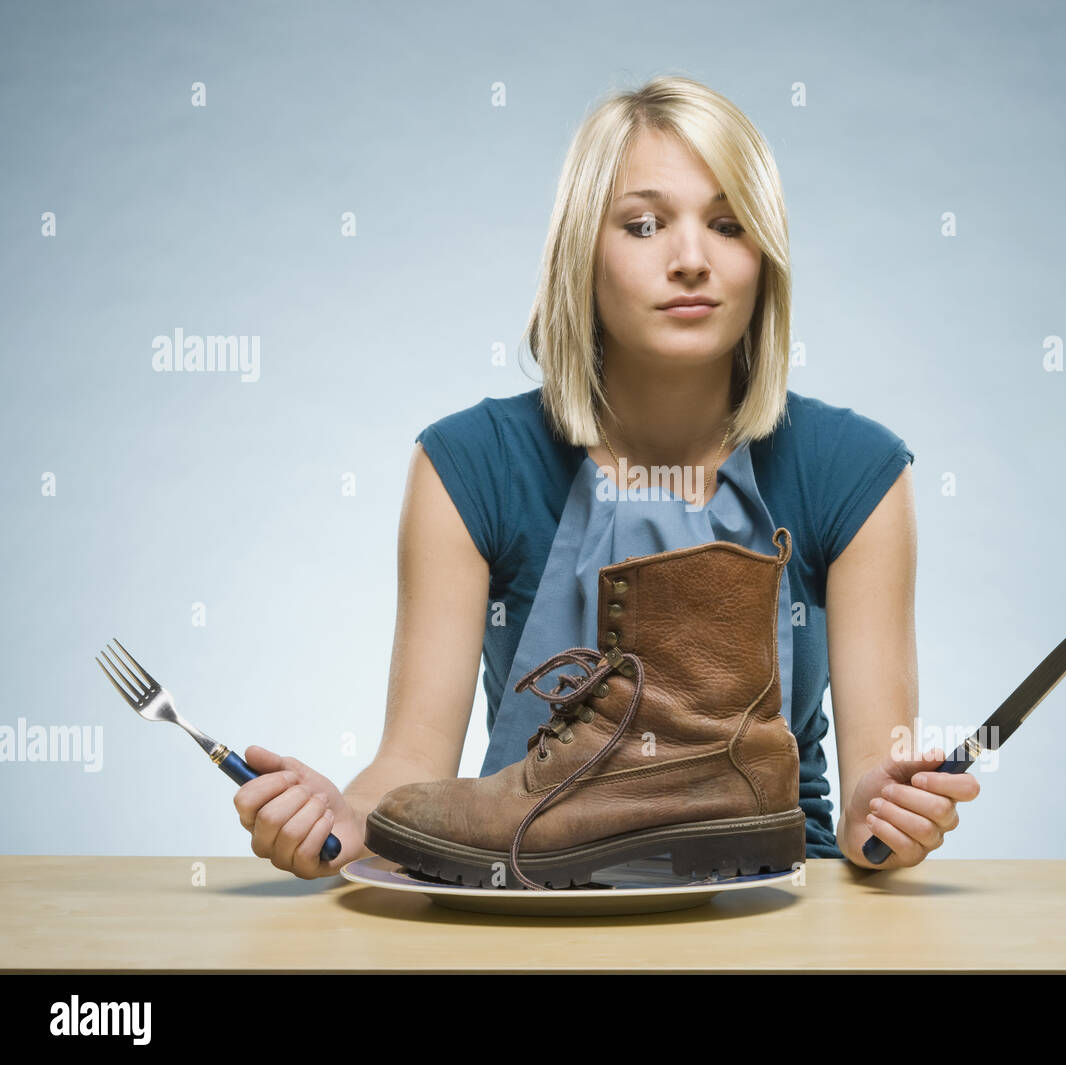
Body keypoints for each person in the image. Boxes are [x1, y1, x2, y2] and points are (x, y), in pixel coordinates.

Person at [234, 75, 979, 880]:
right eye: (644, 224)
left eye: (728, 225)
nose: (691, 259)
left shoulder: (854, 470)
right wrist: (339, 816)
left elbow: (878, 766)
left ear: (764, 259)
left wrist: (890, 810)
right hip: (518, 878)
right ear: (581, 252)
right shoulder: (468, 461)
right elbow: (410, 768)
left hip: (779, 894)